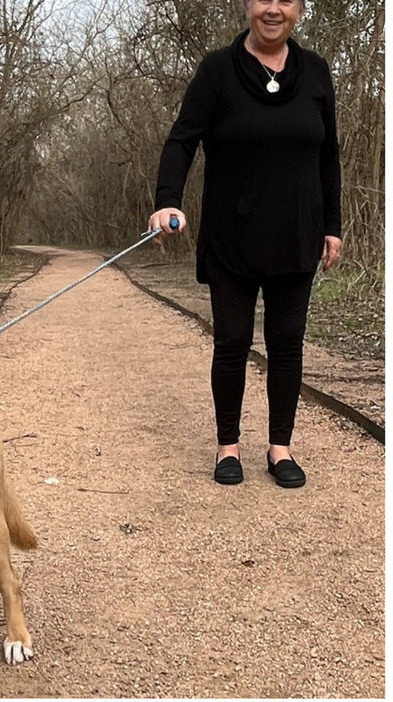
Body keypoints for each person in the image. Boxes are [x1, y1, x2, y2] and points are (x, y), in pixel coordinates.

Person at [149, 0, 341, 489]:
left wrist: (332, 226)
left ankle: (281, 449)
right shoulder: (217, 70)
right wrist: (167, 200)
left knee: (287, 346)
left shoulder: (316, 72)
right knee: (232, 343)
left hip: (298, 234)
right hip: (231, 237)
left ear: (299, 9)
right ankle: (227, 447)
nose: (272, 9)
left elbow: (328, 156)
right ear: (246, 6)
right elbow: (181, 140)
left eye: (285, 1)